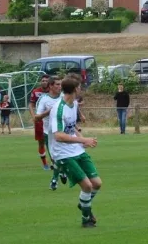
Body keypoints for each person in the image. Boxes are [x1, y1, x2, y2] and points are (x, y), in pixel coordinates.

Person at [50, 76, 102, 228]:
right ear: (74, 90)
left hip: (76, 150)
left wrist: (82, 138)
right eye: (79, 87)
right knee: (87, 186)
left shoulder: (73, 104)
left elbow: (71, 126)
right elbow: (58, 135)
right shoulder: (59, 108)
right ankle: (86, 219)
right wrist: (83, 141)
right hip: (63, 154)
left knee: (97, 184)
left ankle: (84, 204)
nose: (81, 89)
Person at [36, 75, 66, 190]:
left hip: (62, 132)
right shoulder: (44, 99)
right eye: (57, 84)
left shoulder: (64, 97)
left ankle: (54, 180)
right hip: (48, 133)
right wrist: (48, 111)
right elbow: (37, 117)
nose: (60, 87)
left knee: (62, 156)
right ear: (51, 86)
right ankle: (62, 172)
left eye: (61, 84)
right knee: (54, 158)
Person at [29, 77, 52, 169]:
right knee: (41, 142)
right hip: (40, 121)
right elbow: (30, 104)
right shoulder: (36, 92)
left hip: (51, 120)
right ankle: (45, 163)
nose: (44, 82)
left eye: (46, 80)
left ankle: (54, 162)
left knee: (52, 142)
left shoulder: (53, 91)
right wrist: (33, 116)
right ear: (40, 82)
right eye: (43, 80)